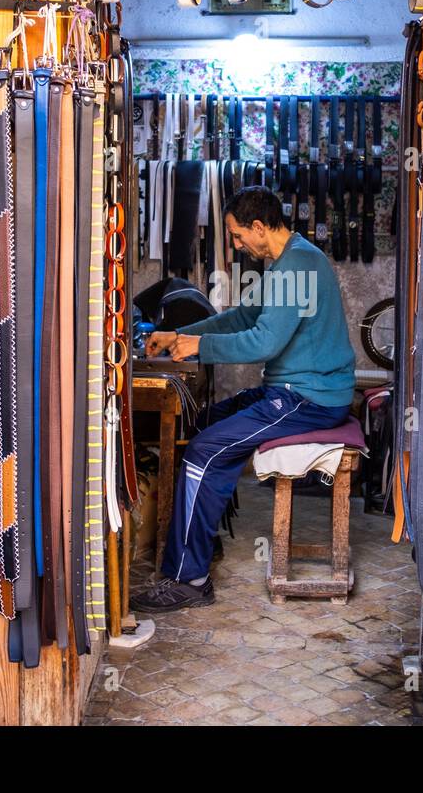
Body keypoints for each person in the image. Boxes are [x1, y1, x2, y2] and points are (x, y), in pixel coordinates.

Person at [130, 186, 356, 613]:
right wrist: (180, 336)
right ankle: (198, 537)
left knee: (204, 451)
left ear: (258, 226)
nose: (236, 245)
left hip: (309, 398)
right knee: (199, 425)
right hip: (291, 392)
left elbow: (263, 342)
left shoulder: (299, 264)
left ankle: (188, 580)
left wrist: (199, 347)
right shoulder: (288, 262)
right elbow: (243, 317)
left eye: (237, 235)